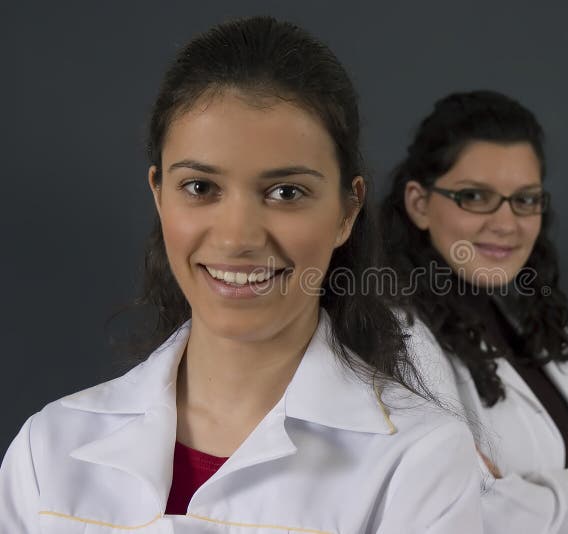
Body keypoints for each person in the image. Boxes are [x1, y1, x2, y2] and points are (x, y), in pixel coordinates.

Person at [0, 17, 483, 533]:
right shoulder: (47, 451)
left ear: (347, 210)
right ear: (158, 194)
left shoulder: (418, 464)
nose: (237, 238)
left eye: (286, 193)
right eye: (200, 187)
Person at [381, 90, 568, 533]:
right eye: (474, 196)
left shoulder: (537, 319)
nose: (506, 223)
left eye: (525, 199)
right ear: (419, 204)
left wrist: (528, 497)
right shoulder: (397, 337)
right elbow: (466, 516)